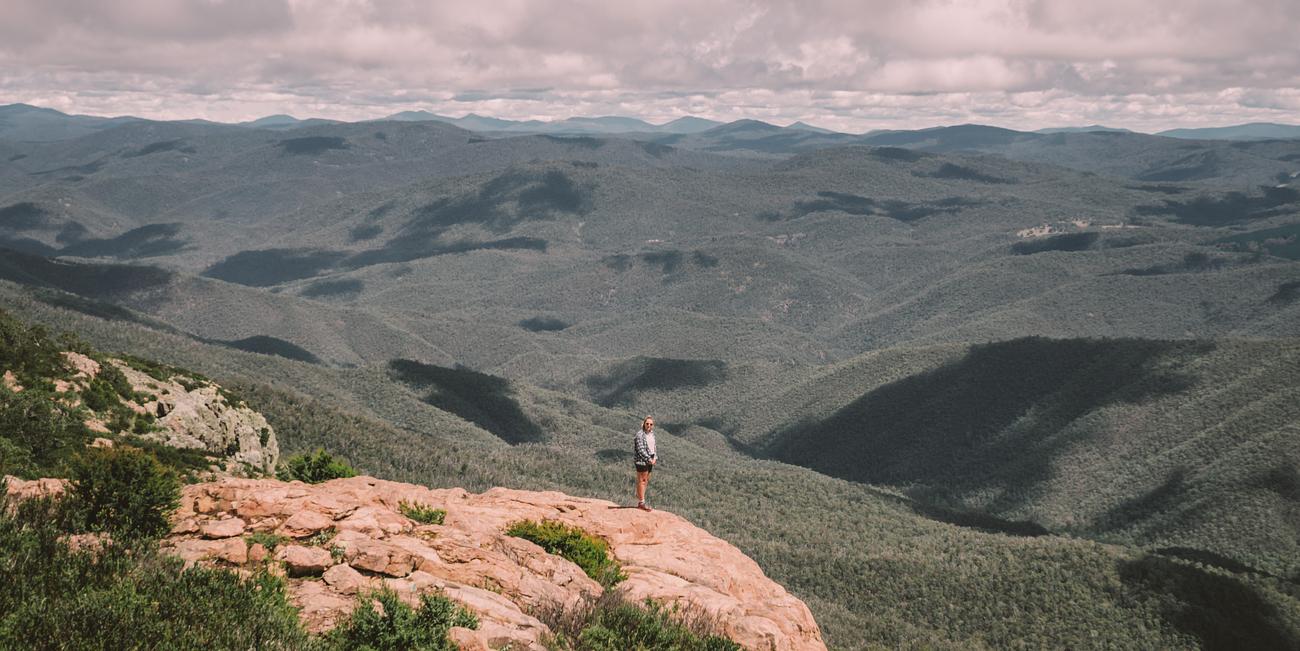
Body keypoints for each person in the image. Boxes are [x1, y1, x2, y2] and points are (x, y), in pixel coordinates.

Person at [633, 415, 657, 511]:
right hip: (641, 460)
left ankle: (641, 499)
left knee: (646, 480)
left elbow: (654, 447)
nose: (649, 426)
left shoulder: (651, 434)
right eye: (647, 424)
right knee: (642, 480)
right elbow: (640, 449)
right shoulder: (640, 435)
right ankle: (641, 502)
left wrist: (655, 457)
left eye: (651, 424)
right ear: (643, 424)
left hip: (650, 458)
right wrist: (649, 459)